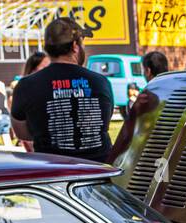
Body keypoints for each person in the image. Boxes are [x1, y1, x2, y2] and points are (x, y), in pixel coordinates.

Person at [10, 18, 113, 162]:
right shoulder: (100, 82)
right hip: (98, 171)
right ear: (75, 46)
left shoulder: (26, 85)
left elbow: (22, 133)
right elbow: (104, 123)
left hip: (53, 174)